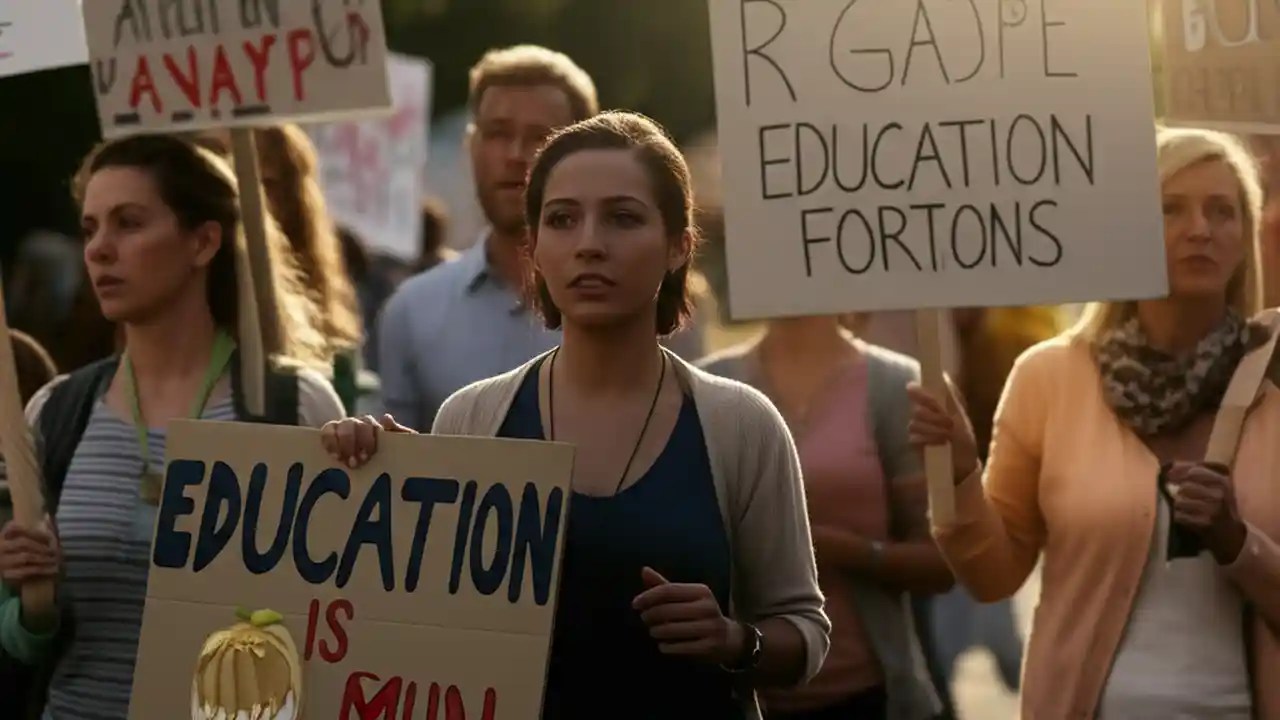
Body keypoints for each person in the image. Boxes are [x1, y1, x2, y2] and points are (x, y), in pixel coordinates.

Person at [323, 111, 830, 719]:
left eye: (623, 217)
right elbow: (412, 630)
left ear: (677, 246)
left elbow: (804, 633)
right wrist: (373, 475)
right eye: (563, 219)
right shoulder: (472, 417)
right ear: (534, 248)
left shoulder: (741, 425)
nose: (590, 242)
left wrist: (734, 640)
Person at [909, 126, 1280, 719]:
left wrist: (1238, 543)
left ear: (1245, 237)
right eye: (1169, 208)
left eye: (1222, 211)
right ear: (1125, 228)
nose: (1200, 229)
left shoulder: (1273, 384)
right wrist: (958, 473)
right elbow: (993, 575)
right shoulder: (1049, 377)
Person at [0, 134, 347, 720]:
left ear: (203, 241)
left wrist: (376, 467)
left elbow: (349, 615)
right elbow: (22, 642)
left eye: (129, 224)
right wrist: (32, 601)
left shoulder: (294, 407)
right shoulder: (57, 413)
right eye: (90, 229)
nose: (100, 251)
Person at [700, 316, 952, 720]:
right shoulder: (708, 385)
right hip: (745, 694)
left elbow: (942, 566)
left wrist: (849, 552)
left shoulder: (897, 385)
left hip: (868, 694)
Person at [377, 44, 600, 431]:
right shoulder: (412, 311)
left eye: (540, 136)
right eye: (497, 133)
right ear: (471, 145)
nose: (515, 155)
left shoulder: (643, 304)